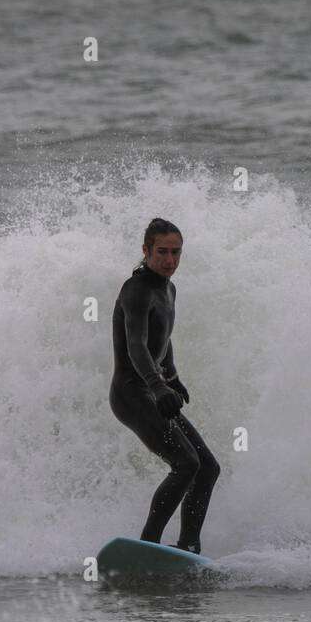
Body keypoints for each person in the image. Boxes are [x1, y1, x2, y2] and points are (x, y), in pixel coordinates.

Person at [109, 217, 220, 553]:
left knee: (207, 468)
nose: (170, 260)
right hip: (131, 394)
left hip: (153, 390)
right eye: (162, 252)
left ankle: (188, 548)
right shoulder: (136, 289)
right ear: (145, 250)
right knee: (185, 463)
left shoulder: (168, 288)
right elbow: (137, 345)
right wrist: (157, 386)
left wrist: (171, 376)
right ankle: (148, 546)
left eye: (176, 252)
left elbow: (163, 338)